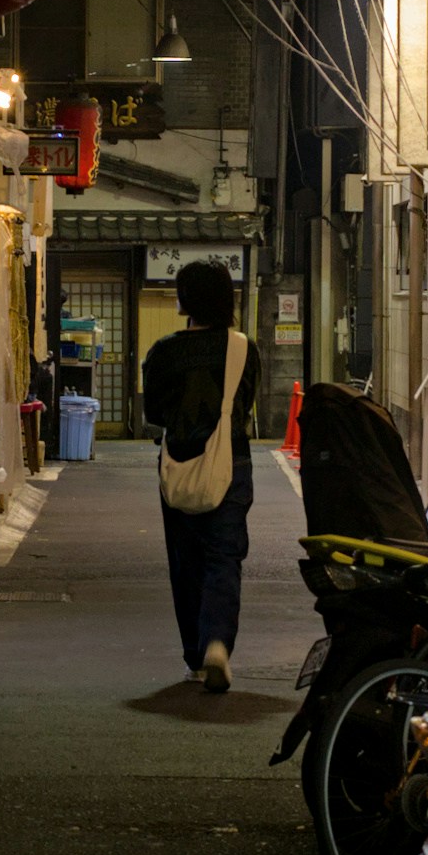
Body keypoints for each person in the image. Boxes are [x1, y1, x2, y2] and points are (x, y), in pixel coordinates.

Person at [142, 259, 259, 690]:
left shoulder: (165, 351)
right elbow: (245, 405)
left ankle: (195, 655)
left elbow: (153, 413)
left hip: (180, 462)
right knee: (224, 556)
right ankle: (217, 643)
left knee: (185, 561)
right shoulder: (243, 349)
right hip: (232, 462)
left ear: (185, 300)